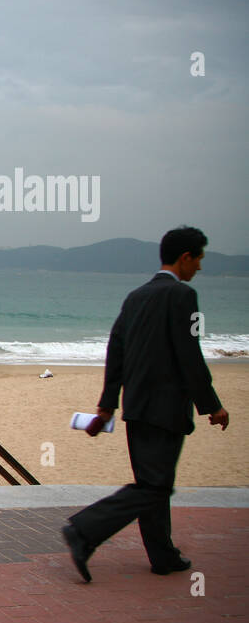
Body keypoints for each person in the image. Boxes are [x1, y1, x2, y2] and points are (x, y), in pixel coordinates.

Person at [62, 226, 230, 582]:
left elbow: (116, 351)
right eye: (199, 258)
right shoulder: (183, 296)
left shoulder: (135, 297)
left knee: (153, 482)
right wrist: (211, 404)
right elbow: (190, 355)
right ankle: (84, 531)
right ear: (185, 257)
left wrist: (107, 406)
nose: (199, 267)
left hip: (136, 407)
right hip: (165, 409)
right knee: (155, 487)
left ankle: (163, 555)